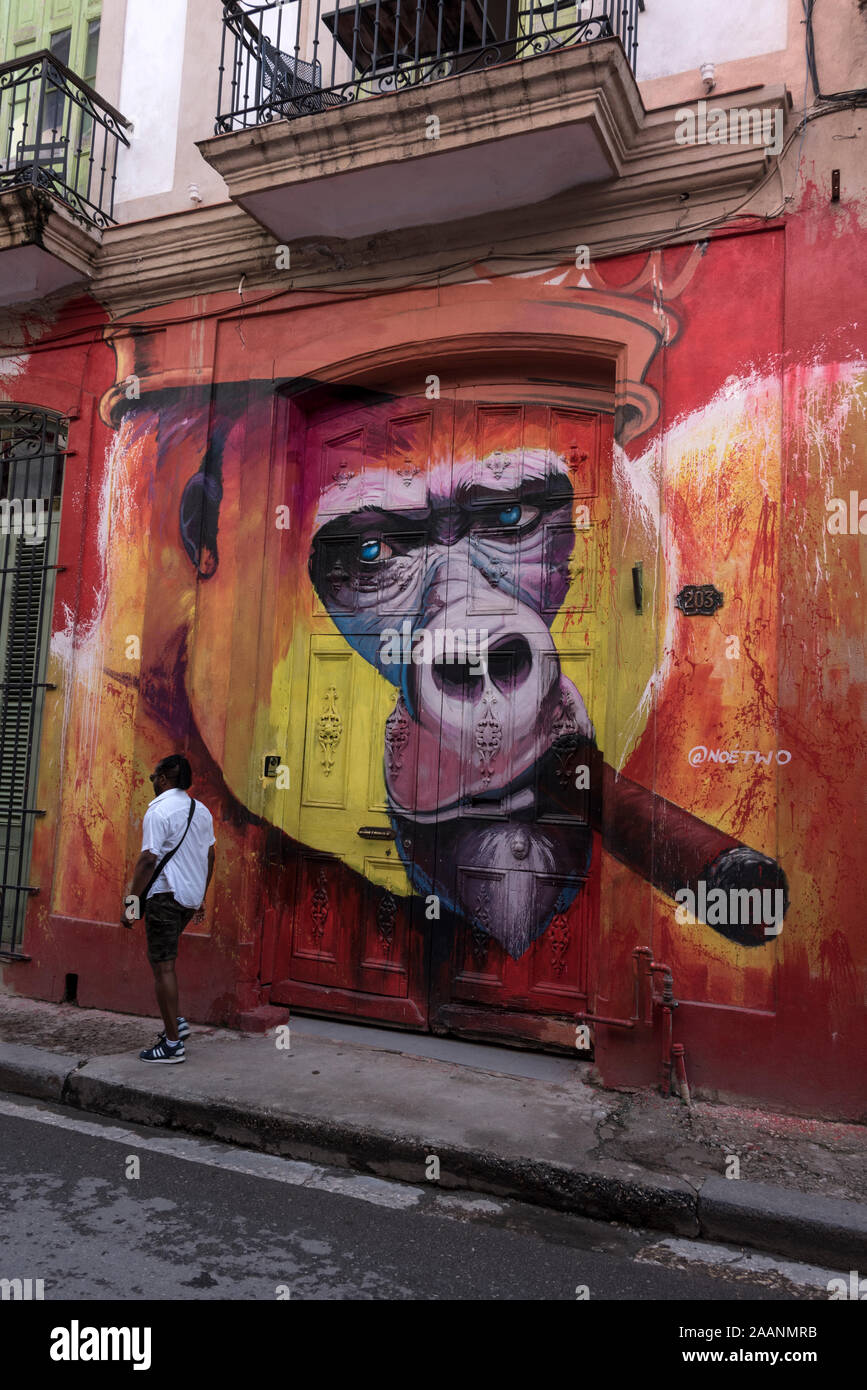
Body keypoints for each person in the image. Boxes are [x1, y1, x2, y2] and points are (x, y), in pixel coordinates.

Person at [121, 755, 215, 1063]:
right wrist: (200, 895)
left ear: (163, 779)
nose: (152, 784)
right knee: (164, 962)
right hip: (188, 898)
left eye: (153, 778)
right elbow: (210, 855)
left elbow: (148, 859)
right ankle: (177, 1022)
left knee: (163, 966)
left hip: (165, 896)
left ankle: (173, 1044)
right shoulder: (201, 811)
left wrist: (131, 904)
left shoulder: (158, 811)